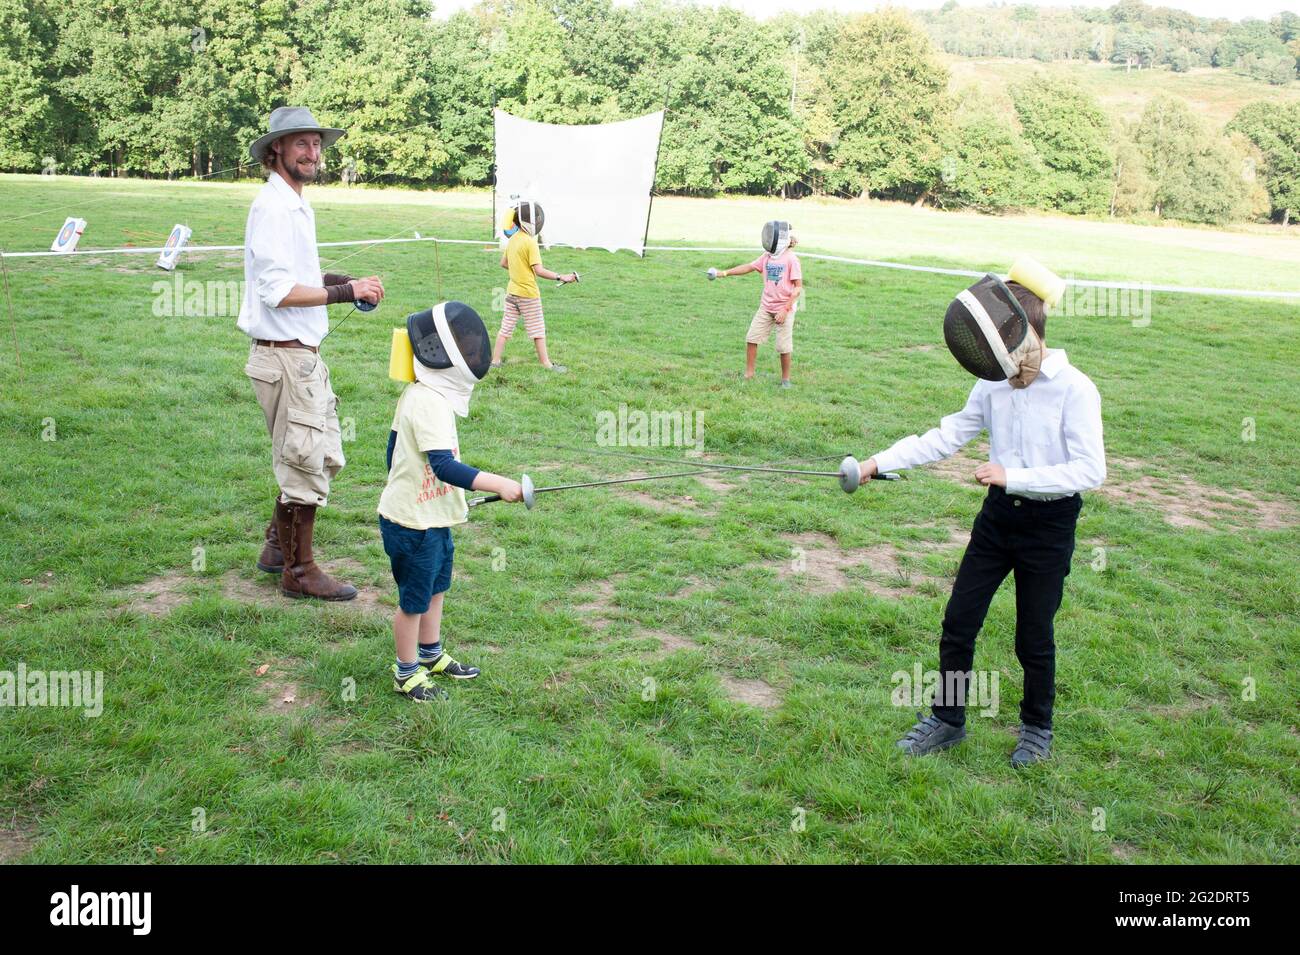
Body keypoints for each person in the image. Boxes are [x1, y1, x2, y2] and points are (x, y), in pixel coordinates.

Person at [859, 261, 1105, 768]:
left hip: (1049, 526)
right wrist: (875, 463)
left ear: (1023, 331)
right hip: (998, 521)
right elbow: (946, 435)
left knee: (1033, 636)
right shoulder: (992, 383)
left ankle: (1036, 726)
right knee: (959, 620)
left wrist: (1013, 476)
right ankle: (947, 720)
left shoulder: (1075, 389)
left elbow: (1090, 470)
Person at [237, 106, 385, 601]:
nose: (312, 152)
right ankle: (299, 573)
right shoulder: (274, 206)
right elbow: (276, 289)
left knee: (321, 456)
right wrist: (346, 294)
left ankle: (277, 548)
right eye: (301, 143)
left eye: (317, 143)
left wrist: (345, 283)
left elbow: (298, 275)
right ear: (276, 149)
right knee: (305, 463)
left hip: (301, 356)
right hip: (284, 356)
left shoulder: (296, 204)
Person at [380, 302, 524, 702]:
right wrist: (500, 484)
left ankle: (431, 654)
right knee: (414, 600)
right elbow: (443, 466)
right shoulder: (427, 401)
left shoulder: (423, 393)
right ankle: (406, 673)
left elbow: (393, 451)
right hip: (411, 523)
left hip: (432, 516)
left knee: (437, 587)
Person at [710, 220, 803, 388]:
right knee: (752, 338)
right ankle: (749, 374)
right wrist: (722, 273)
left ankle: (786, 380)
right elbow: (749, 267)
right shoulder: (767, 257)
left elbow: (798, 288)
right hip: (766, 307)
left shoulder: (791, 259)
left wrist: (785, 309)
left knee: (783, 347)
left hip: (785, 308)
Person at [489, 200, 576, 374]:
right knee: (538, 330)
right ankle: (546, 364)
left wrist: (519, 268)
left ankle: (495, 361)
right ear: (529, 222)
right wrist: (561, 276)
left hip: (512, 292)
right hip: (528, 294)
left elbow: (504, 263)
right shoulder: (530, 242)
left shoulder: (512, 239)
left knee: (505, 328)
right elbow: (539, 270)